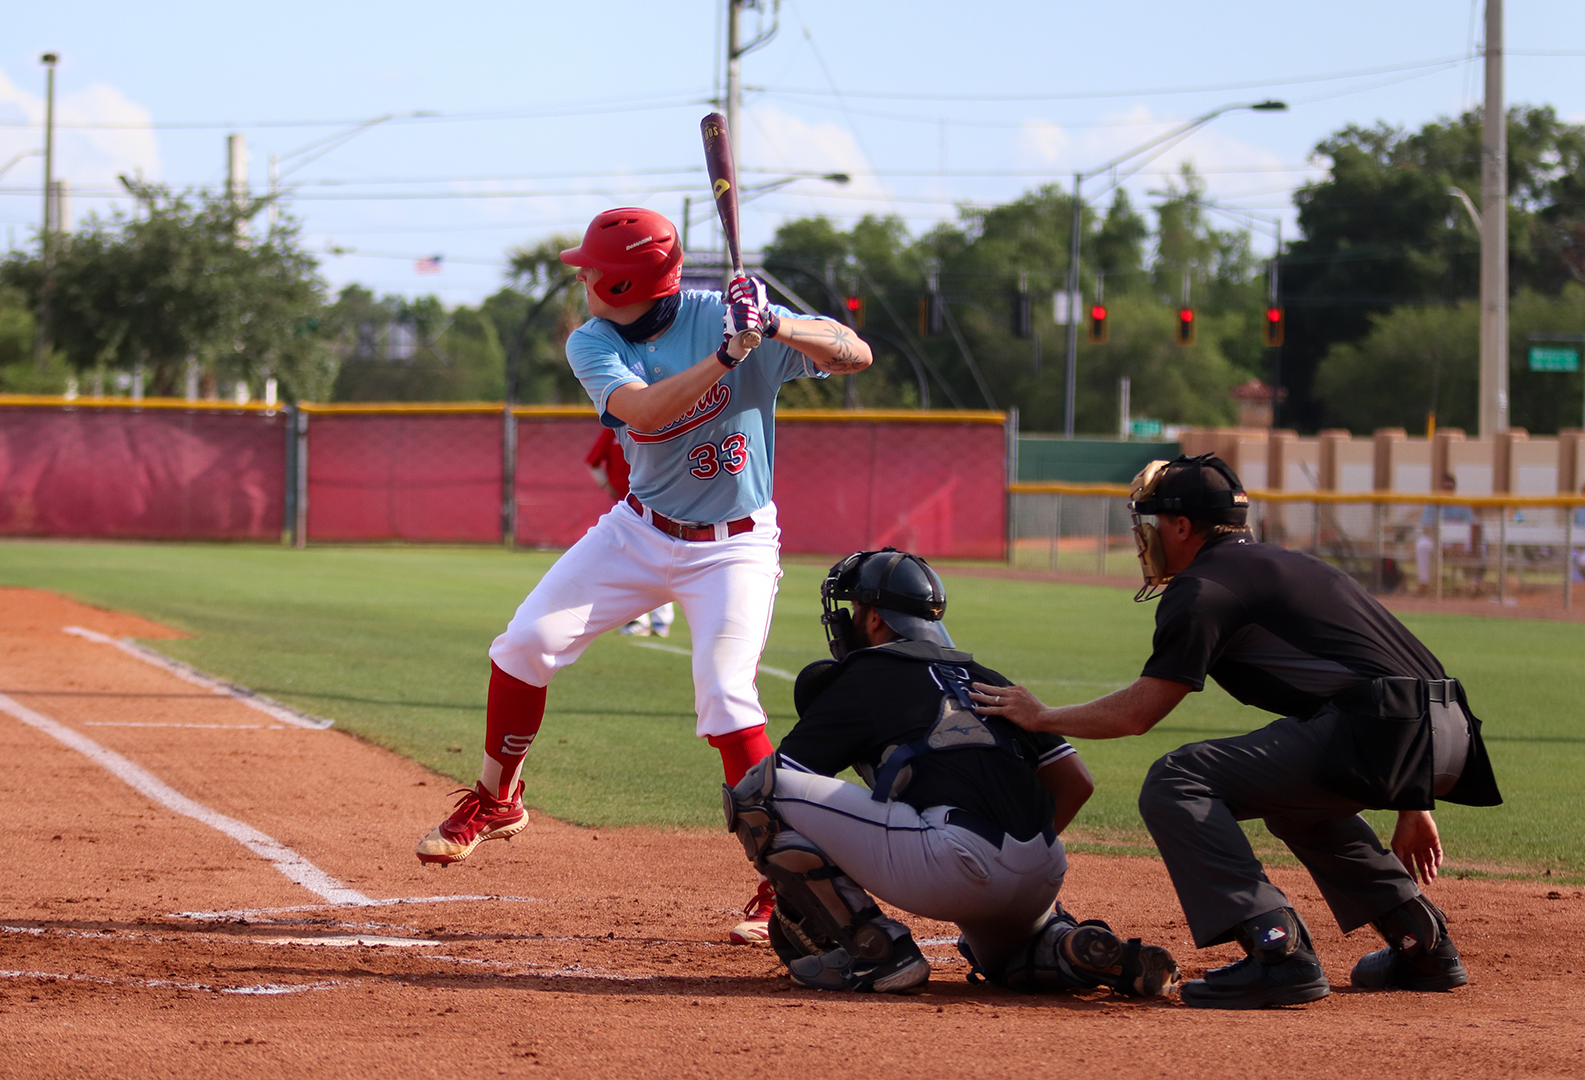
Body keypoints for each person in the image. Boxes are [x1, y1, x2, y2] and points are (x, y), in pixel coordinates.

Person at [414, 206, 872, 947]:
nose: (583, 279)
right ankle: (498, 801)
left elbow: (856, 353)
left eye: (591, 269)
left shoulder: (728, 312)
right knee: (524, 644)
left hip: (734, 545)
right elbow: (648, 419)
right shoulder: (591, 341)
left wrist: (780, 327)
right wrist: (729, 357)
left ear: (624, 279)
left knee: (726, 699)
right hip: (640, 527)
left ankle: (785, 882)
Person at [972, 454, 1502, 1010]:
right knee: (1298, 803)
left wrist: (1042, 716)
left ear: (1181, 526)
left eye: (1151, 524)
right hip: (1448, 730)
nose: (1145, 538)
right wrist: (1414, 799)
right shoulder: (1294, 564)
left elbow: (1137, 715)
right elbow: (1397, 667)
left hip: (1384, 732)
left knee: (1177, 780)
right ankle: (1423, 944)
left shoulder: (1202, 586)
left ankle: (1278, 951)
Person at [723, 548, 1180, 996]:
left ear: (876, 619)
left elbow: (782, 778)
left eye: (855, 608)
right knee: (1004, 960)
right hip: (1042, 871)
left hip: (953, 863)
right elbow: (1076, 782)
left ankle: (877, 950)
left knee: (757, 792)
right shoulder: (985, 676)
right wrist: (1009, 851)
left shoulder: (866, 673)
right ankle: (1063, 941)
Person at [583, 426, 675, 637]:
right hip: (627, 509)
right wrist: (607, 485)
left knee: (657, 561)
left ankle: (658, 621)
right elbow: (593, 461)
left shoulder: (659, 421)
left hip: (657, 506)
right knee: (633, 562)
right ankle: (640, 619)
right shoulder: (614, 428)